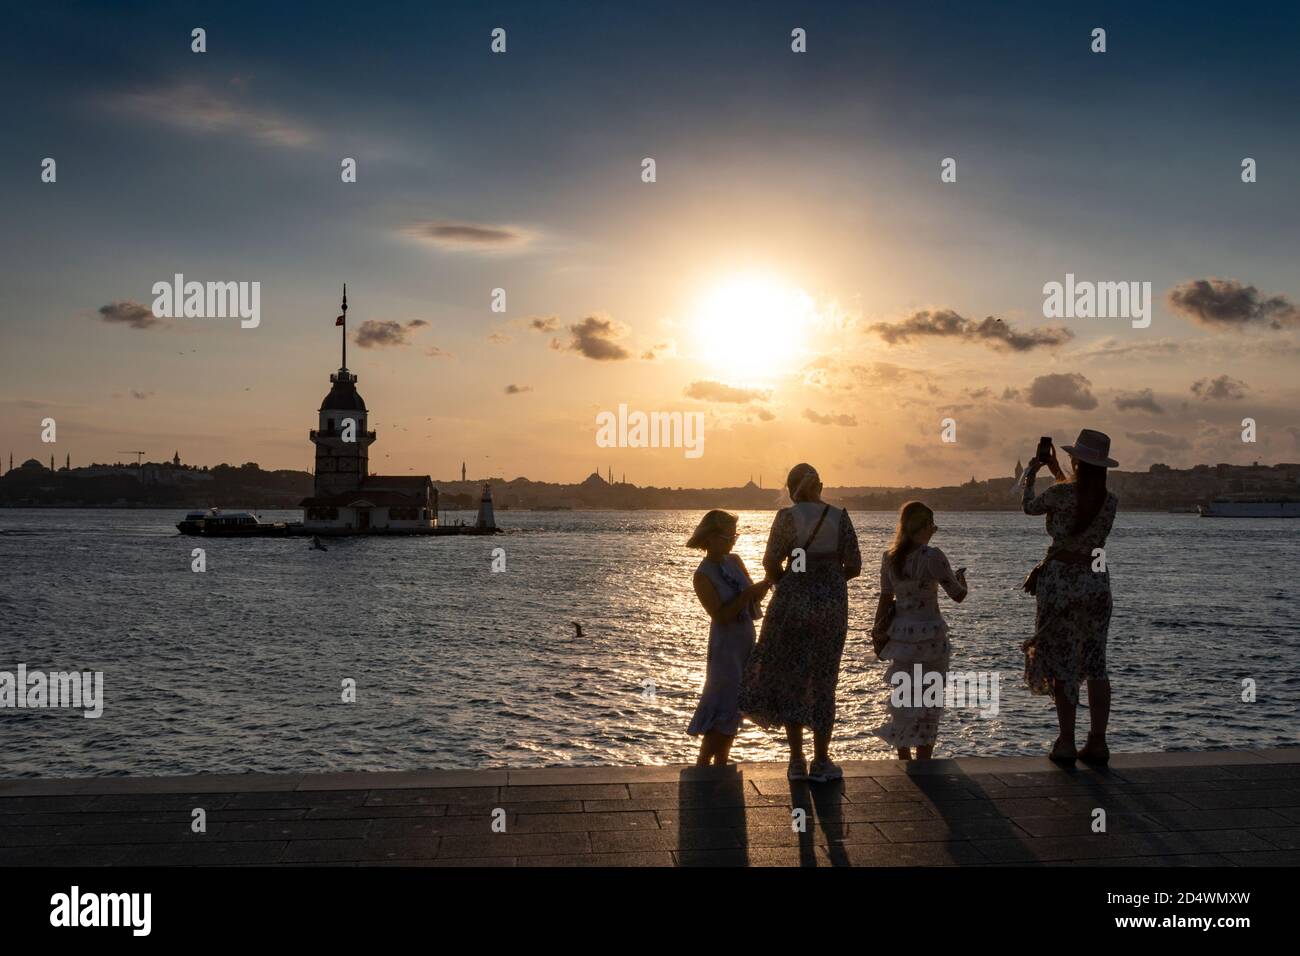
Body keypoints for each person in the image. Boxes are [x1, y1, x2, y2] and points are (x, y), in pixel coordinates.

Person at [739, 463, 862, 782]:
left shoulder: (785, 518)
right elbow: (855, 565)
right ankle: (821, 761)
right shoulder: (839, 517)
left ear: (792, 488)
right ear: (820, 485)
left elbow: (770, 562)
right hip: (830, 609)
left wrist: (790, 582)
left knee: (793, 678)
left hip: (791, 604)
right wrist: (831, 578)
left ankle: (796, 761)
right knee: (824, 682)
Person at [1021, 429, 1119, 765]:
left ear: (1077, 459)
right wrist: (1057, 471)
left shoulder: (1060, 494)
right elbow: (1080, 499)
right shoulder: (1108, 500)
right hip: (1096, 582)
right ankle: (1098, 743)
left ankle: (1065, 742)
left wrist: (1033, 469)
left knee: (1063, 662)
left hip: (1062, 583)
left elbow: (1030, 506)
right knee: (1096, 665)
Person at [872, 502, 967, 760]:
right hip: (931, 639)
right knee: (929, 702)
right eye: (931, 525)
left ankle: (904, 757)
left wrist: (877, 635)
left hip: (902, 638)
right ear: (924, 526)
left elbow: (884, 599)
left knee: (903, 700)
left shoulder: (889, 558)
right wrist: (961, 579)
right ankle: (924, 757)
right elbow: (957, 595)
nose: (933, 531)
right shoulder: (933, 556)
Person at [686, 510, 771, 766]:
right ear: (710, 538)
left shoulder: (735, 561)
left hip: (745, 641)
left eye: (735, 535)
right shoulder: (702, 575)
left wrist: (767, 583)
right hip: (726, 646)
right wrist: (747, 595)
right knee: (724, 699)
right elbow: (720, 615)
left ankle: (721, 760)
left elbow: (754, 602)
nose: (733, 541)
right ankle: (703, 761)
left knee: (738, 702)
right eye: (728, 536)